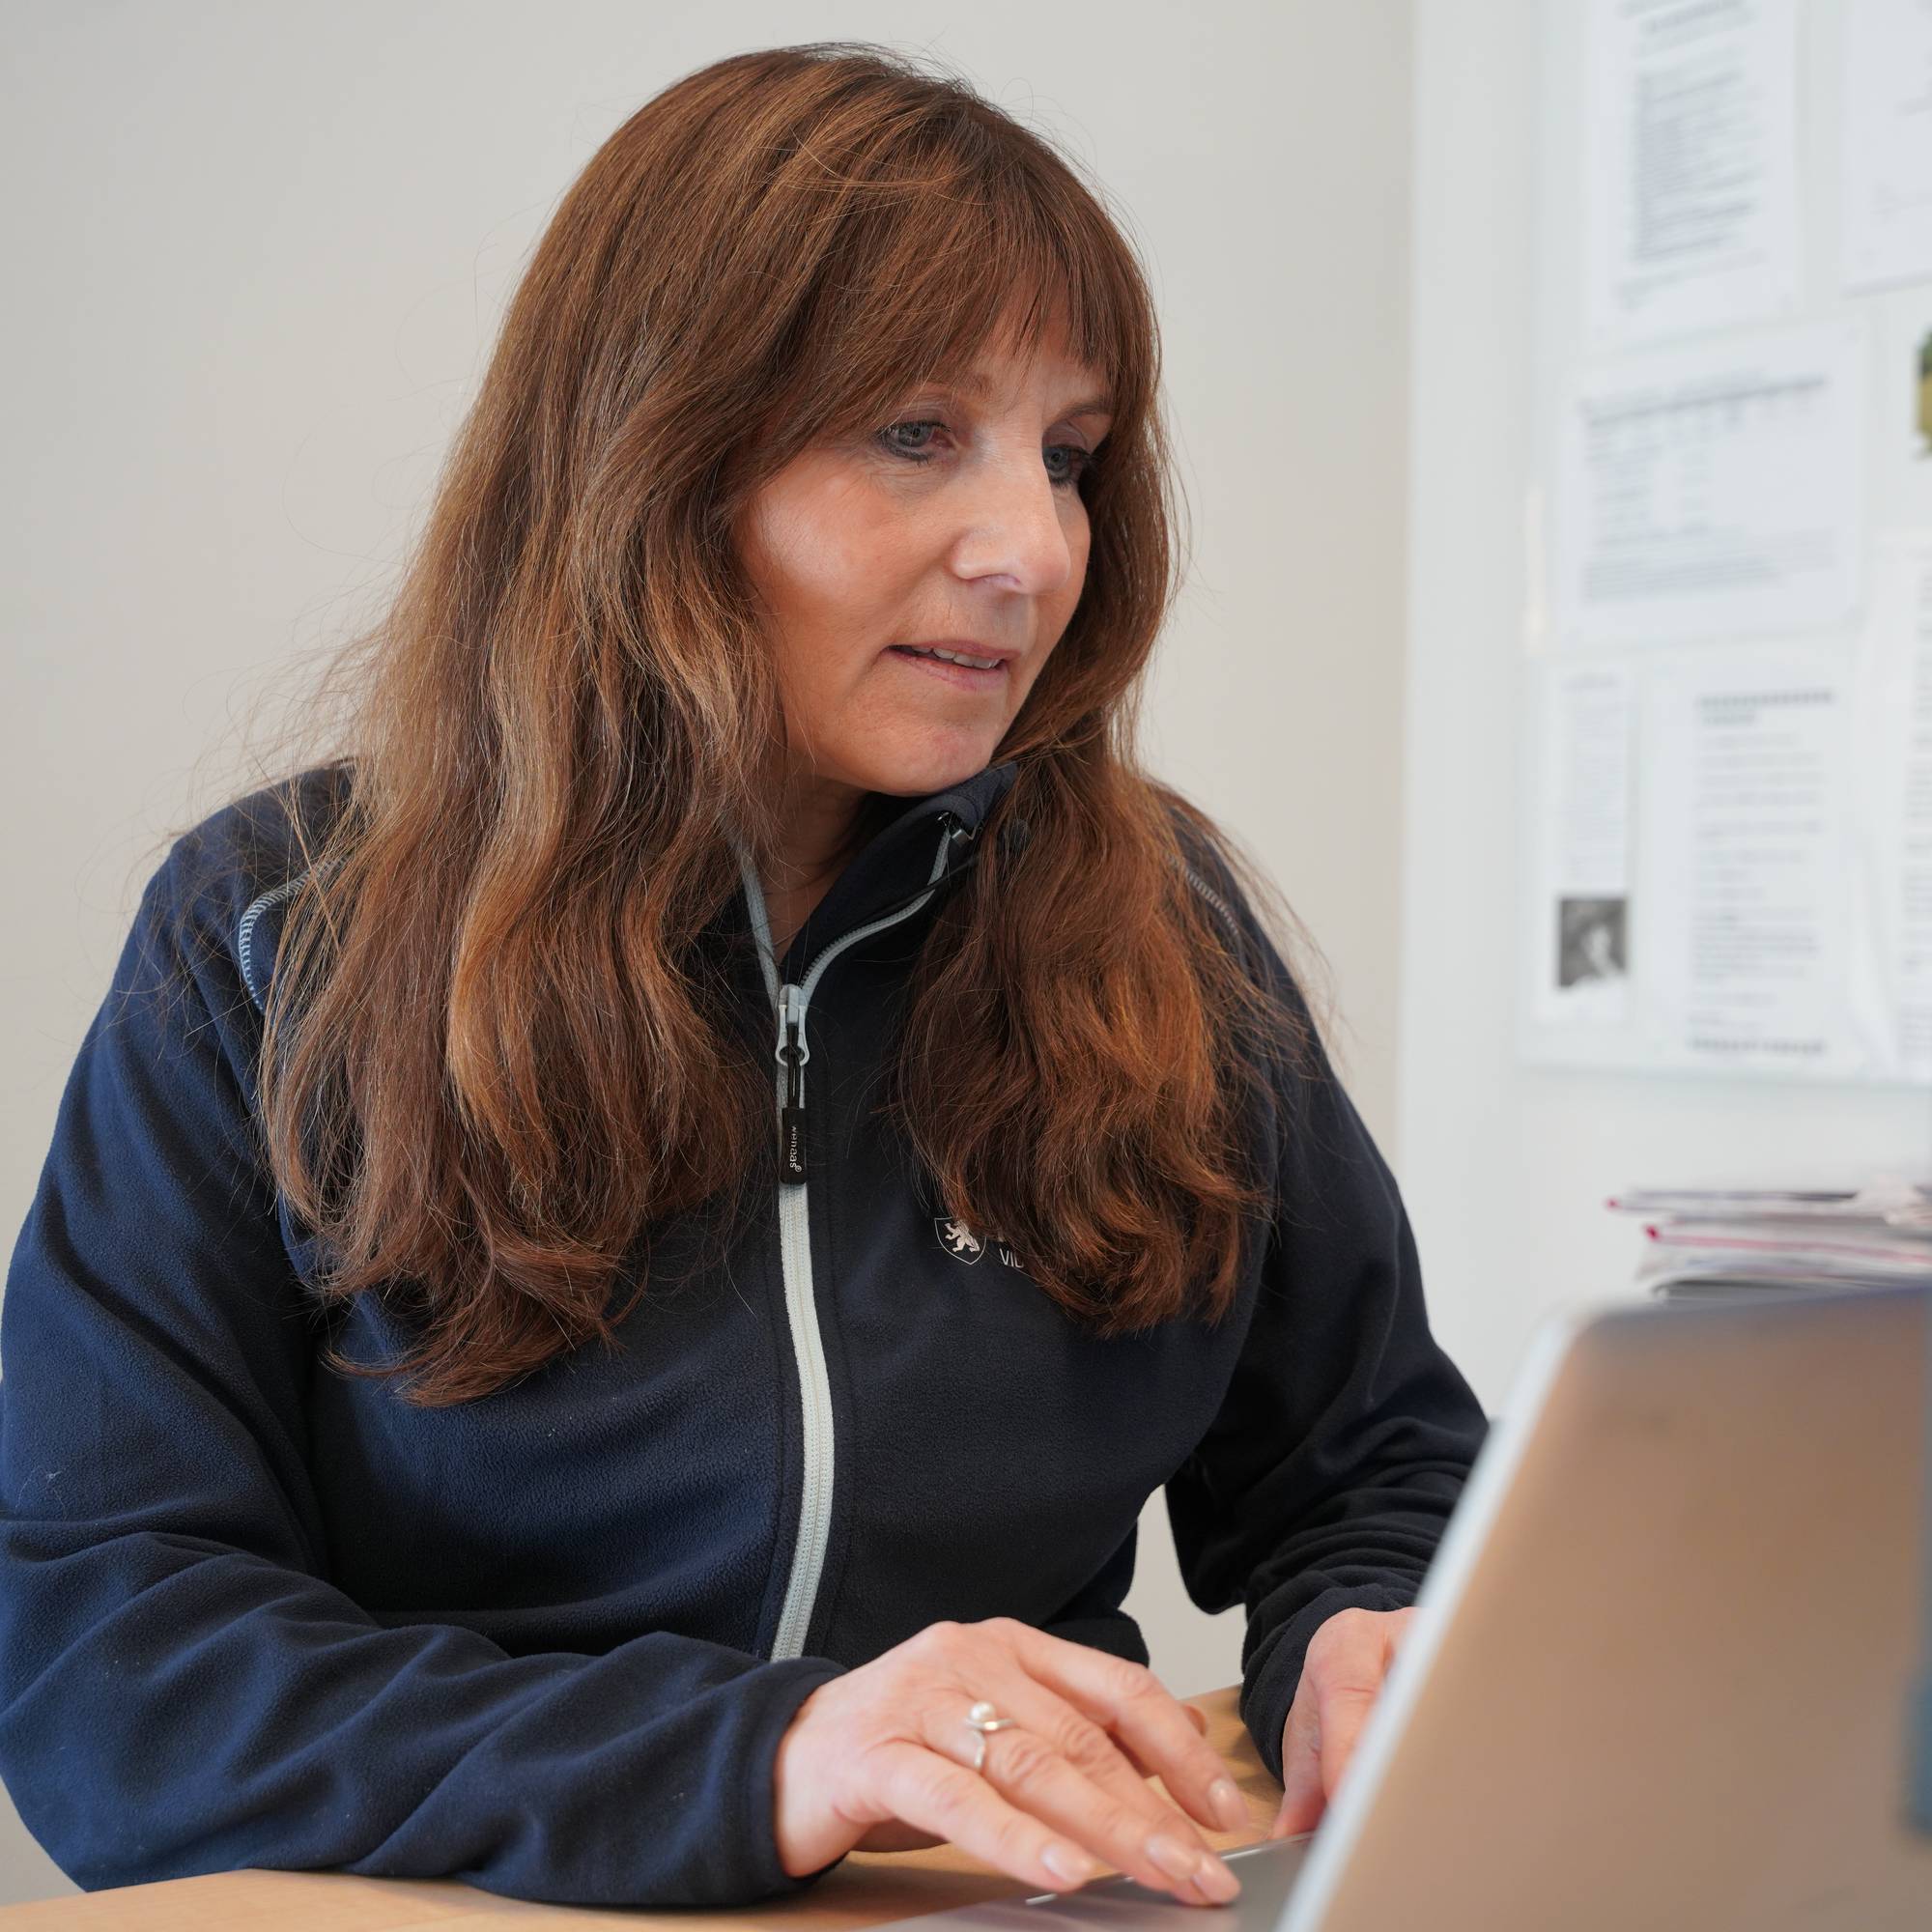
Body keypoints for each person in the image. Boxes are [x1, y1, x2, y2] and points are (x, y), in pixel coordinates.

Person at [0, 40, 1489, 1913]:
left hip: (994, 1895)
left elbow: (1374, 1461)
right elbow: (106, 1670)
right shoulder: (273, 930)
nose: (1030, 545)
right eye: (914, 432)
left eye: (1071, 455)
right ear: (652, 460)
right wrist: (761, 1755)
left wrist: (1378, 1622)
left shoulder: (1152, 919)